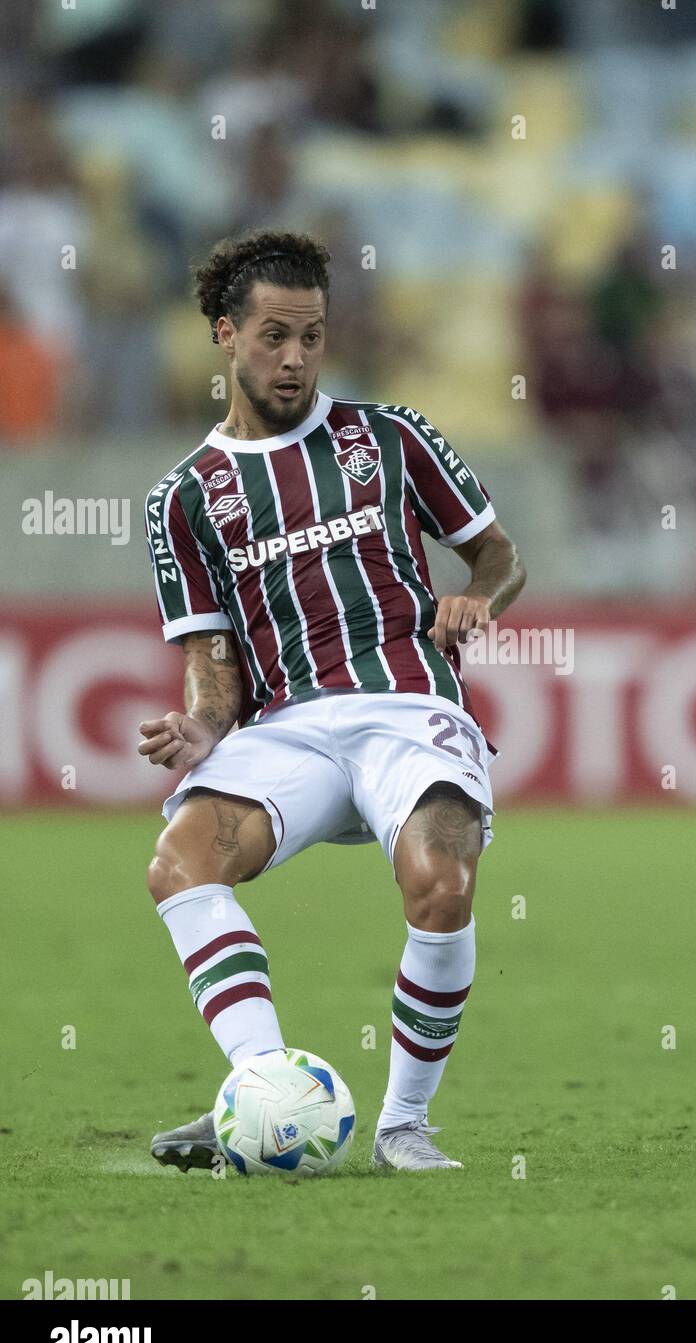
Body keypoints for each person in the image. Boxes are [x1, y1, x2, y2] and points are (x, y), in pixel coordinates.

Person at [140, 230, 525, 1169]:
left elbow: (498, 555)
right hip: (288, 732)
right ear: (224, 333)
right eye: (274, 336)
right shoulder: (184, 498)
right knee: (180, 863)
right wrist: (199, 724)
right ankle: (264, 1091)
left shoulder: (388, 437)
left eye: (312, 337)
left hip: (405, 705)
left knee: (442, 886)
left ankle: (403, 1126)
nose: (295, 359)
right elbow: (214, 667)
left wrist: (479, 599)